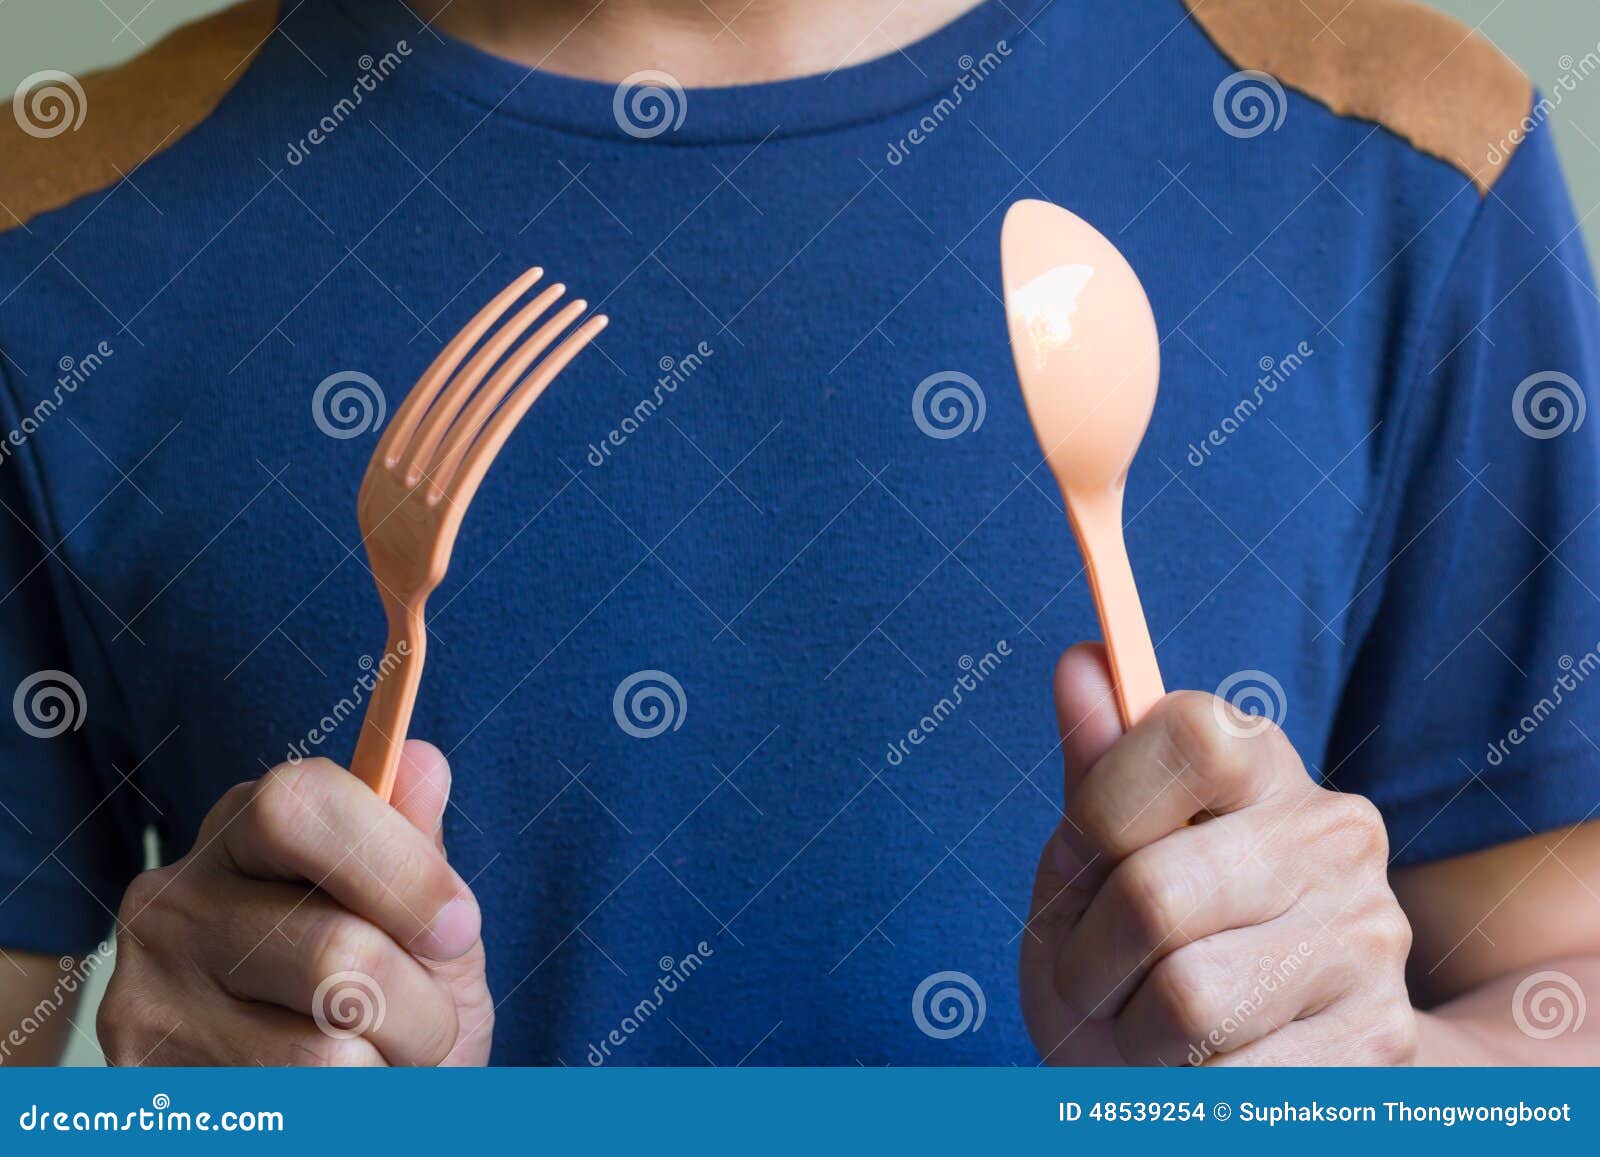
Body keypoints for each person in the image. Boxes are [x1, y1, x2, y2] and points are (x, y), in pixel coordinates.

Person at [1, 0, 1597, 1067]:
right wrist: (152, 1110)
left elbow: (1564, 987)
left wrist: (1401, 1075)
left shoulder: (1411, 149)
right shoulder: (49, 225)